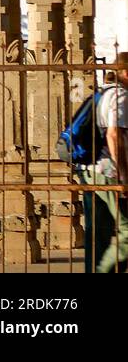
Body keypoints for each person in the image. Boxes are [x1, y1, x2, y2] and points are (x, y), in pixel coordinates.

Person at [79, 52, 128, 273]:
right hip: (108, 171)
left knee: (97, 233)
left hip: (88, 170)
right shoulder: (121, 96)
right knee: (127, 230)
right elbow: (114, 135)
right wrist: (123, 173)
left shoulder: (101, 94)